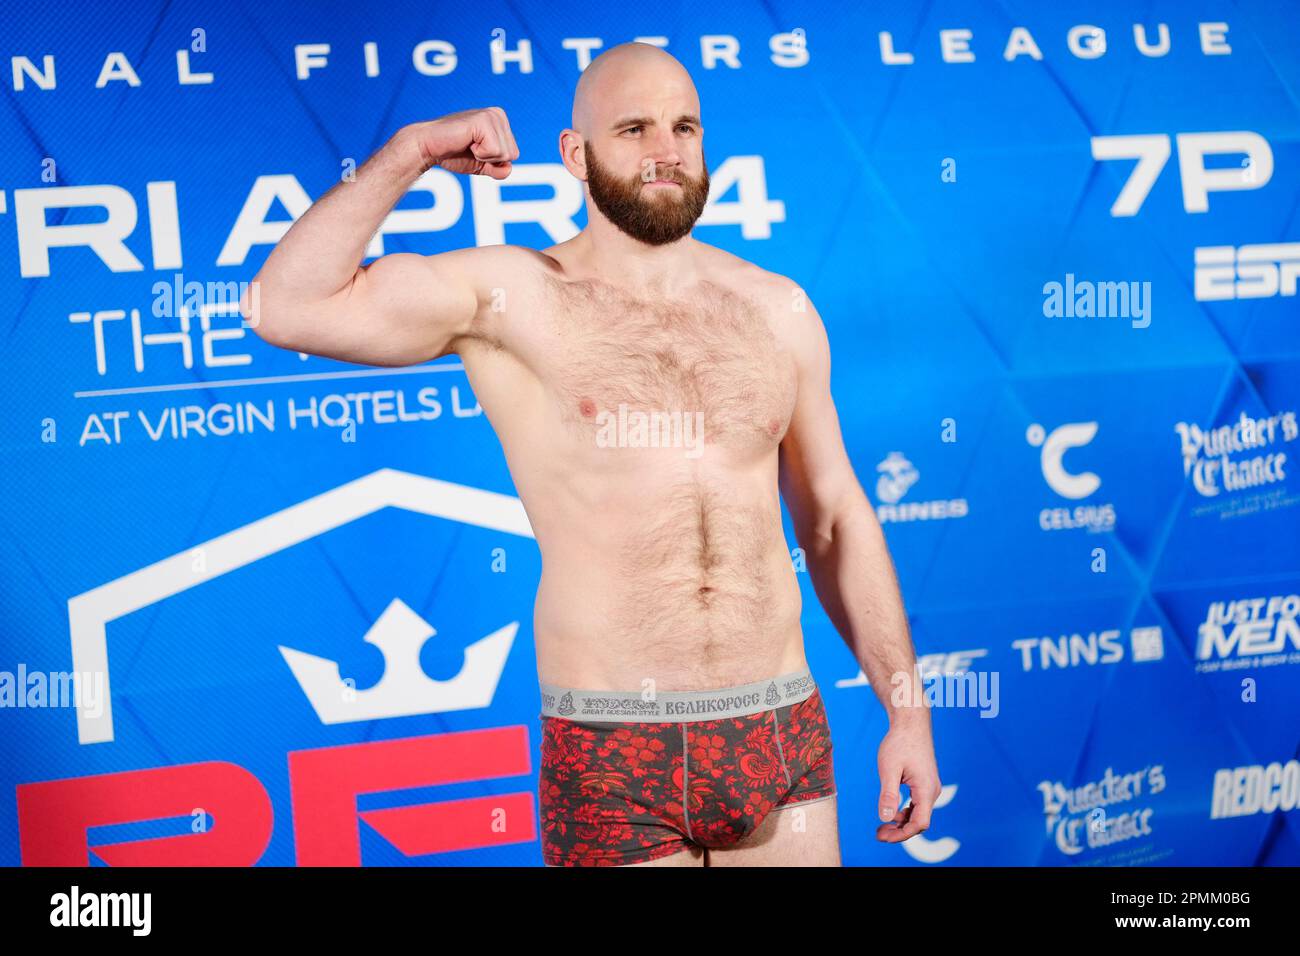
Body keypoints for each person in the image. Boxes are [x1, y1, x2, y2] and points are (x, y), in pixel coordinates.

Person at [242, 41, 941, 867]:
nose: (666, 151)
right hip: (616, 746)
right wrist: (413, 152)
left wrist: (907, 709)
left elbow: (832, 519)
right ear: (575, 155)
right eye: (634, 129)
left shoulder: (777, 310)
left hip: (777, 726)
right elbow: (283, 307)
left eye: (684, 127)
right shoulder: (515, 296)